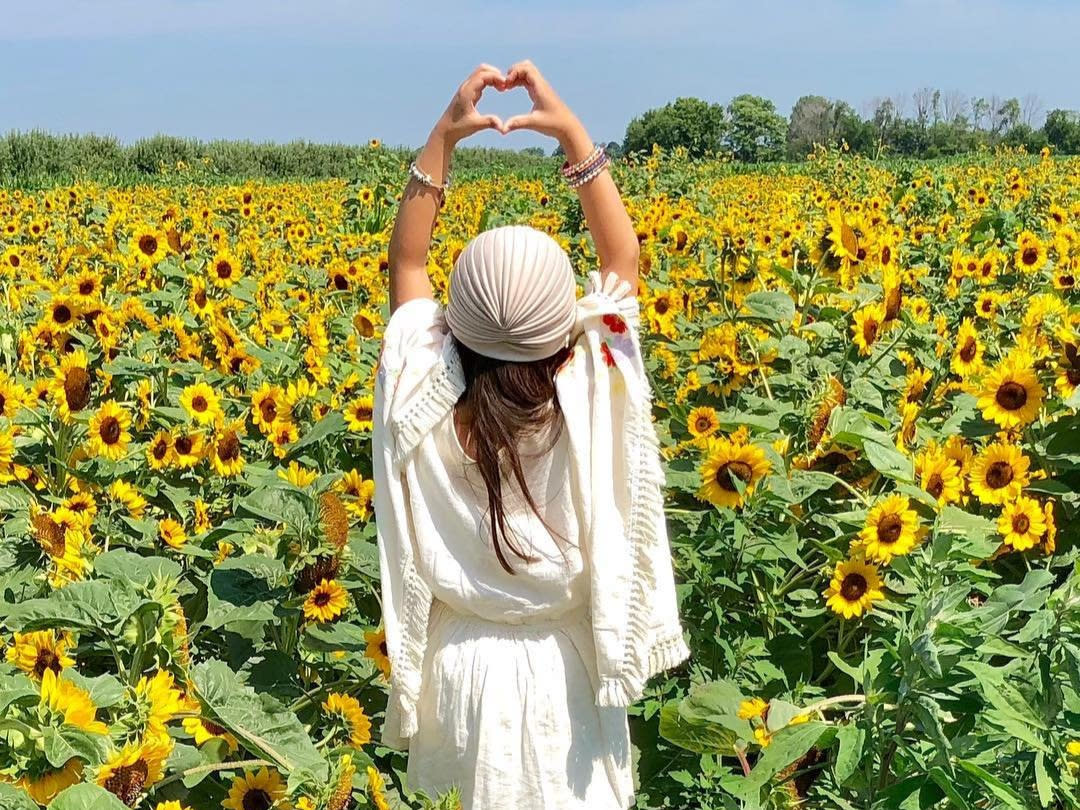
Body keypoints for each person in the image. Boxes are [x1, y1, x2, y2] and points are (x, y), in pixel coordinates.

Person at [373, 61, 688, 810]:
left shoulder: (422, 385)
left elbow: (407, 261)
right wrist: (575, 135)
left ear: (456, 324)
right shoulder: (593, 383)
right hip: (568, 674)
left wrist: (442, 141)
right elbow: (622, 261)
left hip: (458, 672)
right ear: (565, 331)